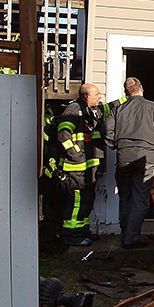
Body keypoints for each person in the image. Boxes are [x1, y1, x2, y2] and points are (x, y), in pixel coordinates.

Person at [105, 77, 154, 249]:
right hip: (148, 157)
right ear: (141, 88)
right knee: (140, 198)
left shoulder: (117, 109)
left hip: (124, 156)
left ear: (125, 91)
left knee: (125, 196)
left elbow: (107, 130)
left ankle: (125, 235)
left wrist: (115, 145)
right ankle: (131, 238)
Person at [55, 83, 109, 247]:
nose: (100, 97)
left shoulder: (90, 111)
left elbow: (109, 107)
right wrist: (77, 155)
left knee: (87, 200)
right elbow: (63, 135)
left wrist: (128, 97)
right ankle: (71, 235)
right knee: (77, 202)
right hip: (76, 169)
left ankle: (82, 230)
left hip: (88, 169)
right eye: (97, 94)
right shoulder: (74, 110)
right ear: (86, 96)